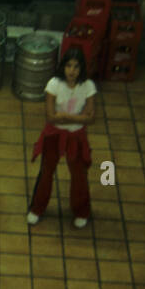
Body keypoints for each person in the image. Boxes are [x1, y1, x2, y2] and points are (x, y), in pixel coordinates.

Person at [27, 46, 96, 229]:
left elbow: (91, 117)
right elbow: (50, 116)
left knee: (79, 175)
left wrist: (65, 117)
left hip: (76, 136)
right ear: (63, 67)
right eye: (68, 66)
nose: (72, 71)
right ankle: (37, 208)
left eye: (76, 67)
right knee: (46, 172)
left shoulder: (88, 86)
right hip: (54, 134)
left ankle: (82, 211)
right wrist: (78, 118)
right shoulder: (53, 84)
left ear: (81, 68)